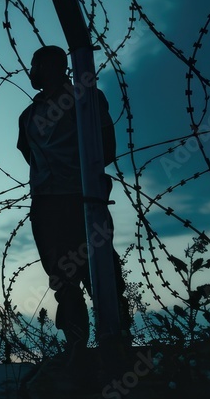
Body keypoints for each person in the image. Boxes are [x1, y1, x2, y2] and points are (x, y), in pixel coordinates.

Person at [16, 45, 131, 362]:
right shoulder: (30, 114)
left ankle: (112, 341)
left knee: (99, 271)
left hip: (82, 200)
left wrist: (75, 173)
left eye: (35, 64)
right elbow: (28, 152)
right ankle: (79, 347)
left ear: (46, 67)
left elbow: (105, 149)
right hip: (51, 203)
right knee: (65, 278)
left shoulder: (86, 98)